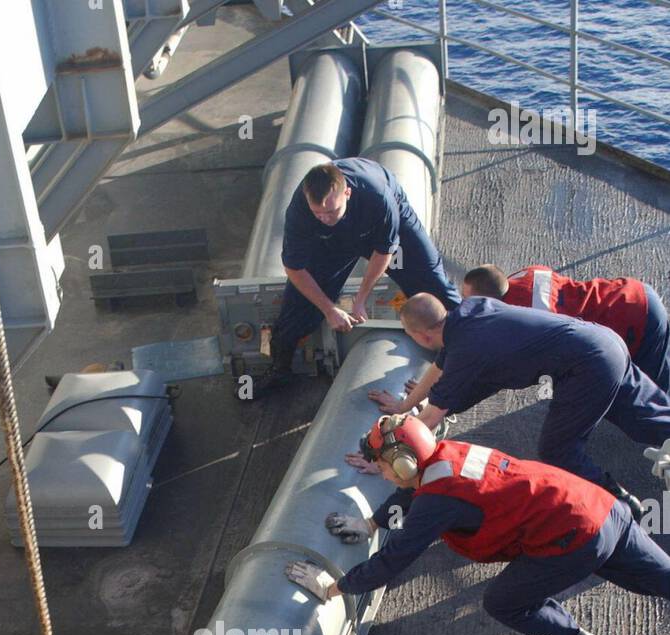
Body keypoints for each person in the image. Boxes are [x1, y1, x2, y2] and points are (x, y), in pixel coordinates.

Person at [286, 413, 670, 635]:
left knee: (504, 602)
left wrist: (331, 587)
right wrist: (370, 523)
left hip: (573, 539)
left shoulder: (437, 501)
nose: (383, 474)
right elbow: (415, 491)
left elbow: (393, 560)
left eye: (384, 467)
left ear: (403, 464)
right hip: (602, 508)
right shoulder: (448, 454)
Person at [373, 293, 670, 520]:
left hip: (586, 367)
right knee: (649, 416)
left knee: (558, 450)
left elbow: (428, 421)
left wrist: (382, 454)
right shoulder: (468, 311)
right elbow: (439, 367)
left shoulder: (466, 351)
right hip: (603, 341)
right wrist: (403, 405)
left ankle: (621, 506)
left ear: (422, 336)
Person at [250, 159, 460, 399]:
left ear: (347, 193)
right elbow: (295, 268)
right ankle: (280, 369)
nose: (325, 218)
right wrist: (329, 309)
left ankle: (464, 348)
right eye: (318, 213)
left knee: (434, 284)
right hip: (331, 242)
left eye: (331, 211)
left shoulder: (377, 196)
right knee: (296, 310)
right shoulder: (301, 211)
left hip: (376, 225)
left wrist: (361, 298)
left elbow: (384, 252)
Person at [462, 263, 670, 394]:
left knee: (655, 395)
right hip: (632, 293)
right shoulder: (528, 273)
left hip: (635, 321)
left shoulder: (522, 316)